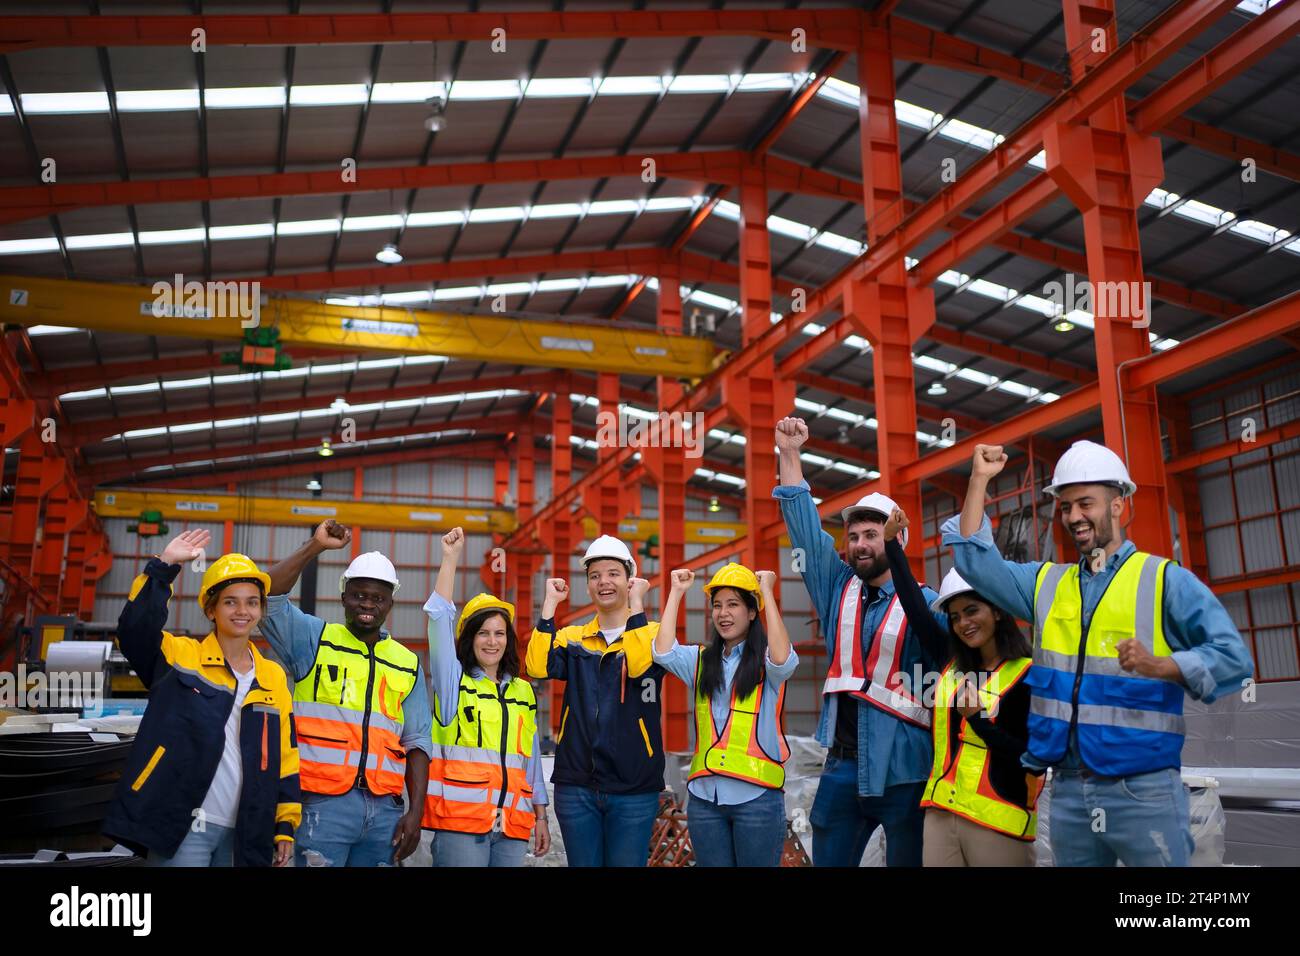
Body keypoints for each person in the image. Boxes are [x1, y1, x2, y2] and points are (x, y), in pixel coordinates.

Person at [943, 440, 1254, 866]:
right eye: (1066, 506)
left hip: (1143, 789)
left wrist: (1166, 665)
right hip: (1068, 788)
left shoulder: (1162, 580)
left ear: (1118, 505)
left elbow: (1233, 657)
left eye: (1085, 503)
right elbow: (975, 564)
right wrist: (978, 479)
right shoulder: (1046, 585)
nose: (1073, 517)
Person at [773, 417, 939, 867]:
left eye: (873, 535)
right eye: (854, 537)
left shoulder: (929, 606)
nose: (861, 545)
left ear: (898, 539)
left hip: (907, 768)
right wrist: (790, 454)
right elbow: (805, 530)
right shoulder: (837, 589)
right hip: (842, 766)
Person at [103, 529, 300, 866]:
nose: (242, 611)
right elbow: (135, 631)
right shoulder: (181, 658)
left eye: (252, 602)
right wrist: (164, 566)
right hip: (181, 826)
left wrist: (284, 824)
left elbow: (284, 755)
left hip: (246, 831)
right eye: (230, 601)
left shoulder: (272, 677)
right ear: (211, 610)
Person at [259, 520, 432, 867]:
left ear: (390, 604)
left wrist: (416, 814)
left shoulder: (407, 662)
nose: (367, 604)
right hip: (319, 806)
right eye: (359, 595)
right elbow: (268, 597)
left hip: (385, 811)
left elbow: (418, 742)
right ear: (343, 598)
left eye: (378, 598)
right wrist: (316, 546)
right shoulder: (313, 640)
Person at [880, 508, 1038, 866]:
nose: (963, 623)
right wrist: (891, 543)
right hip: (940, 814)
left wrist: (979, 719)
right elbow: (915, 606)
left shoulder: (1027, 675)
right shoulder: (950, 663)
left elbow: (1029, 757)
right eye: (955, 617)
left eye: (972, 611)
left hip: (999, 822)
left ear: (997, 611)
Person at [524, 534, 665, 867]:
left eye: (613, 573)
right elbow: (536, 666)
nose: (604, 581)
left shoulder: (655, 633)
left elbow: (641, 664)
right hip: (577, 786)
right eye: (594, 575)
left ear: (630, 579)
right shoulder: (574, 638)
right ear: (587, 585)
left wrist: (637, 608)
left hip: (634, 786)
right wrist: (549, 607)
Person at [421, 527, 551, 866]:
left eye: (499, 633)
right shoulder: (454, 683)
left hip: (512, 823)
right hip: (460, 823)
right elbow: (438, 620)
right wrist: (450, 559)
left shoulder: (522, 691)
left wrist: (541, 815)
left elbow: (532, 761)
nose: (491, 641)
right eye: (482, 633)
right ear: (468, 639)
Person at [653, 563, 796, 867]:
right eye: (717, 605)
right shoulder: (703, 661)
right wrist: (676, 592)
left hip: (756, 799)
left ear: (752, 612)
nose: (723, 613)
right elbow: (663, 652)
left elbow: (783, 659)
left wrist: (767, 593)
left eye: (733, 604)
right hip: (706, 800)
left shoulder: (767, 663)